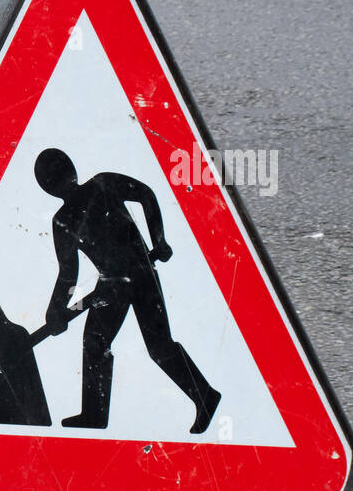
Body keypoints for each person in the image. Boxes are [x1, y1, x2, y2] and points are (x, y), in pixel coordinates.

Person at [35, 148, 221, 434]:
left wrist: (158, 240)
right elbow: (68, 273)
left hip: (140, 273)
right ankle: (94, 414)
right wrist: (55, 310)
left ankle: (205, 396)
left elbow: (146, 194)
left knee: (158, 346)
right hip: (110, 285)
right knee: (96, 342)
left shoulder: (103, 183)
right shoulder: (64, 220)